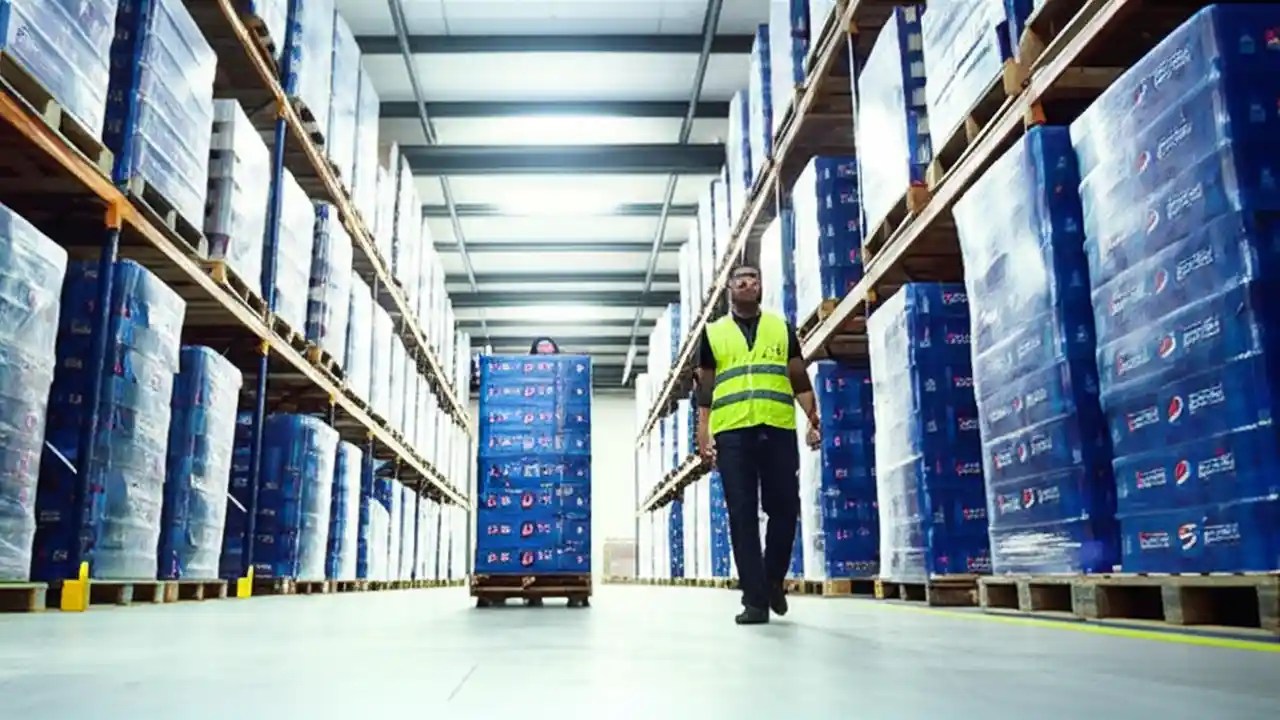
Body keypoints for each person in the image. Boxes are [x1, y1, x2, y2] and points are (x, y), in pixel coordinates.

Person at [696, 263, 820, 625]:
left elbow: (798, 376)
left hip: (777, 427)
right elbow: (705, 387)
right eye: (740, 280)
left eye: (754, 279)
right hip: (733, 431)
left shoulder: (780, 328)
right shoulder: (714, 333)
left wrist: (813, 420)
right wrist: (703, 433)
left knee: (784, 509)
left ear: (761, 287)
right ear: (730, 289)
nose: (748, 284)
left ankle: (771, 579)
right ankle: (755, 601)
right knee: (742, 515)